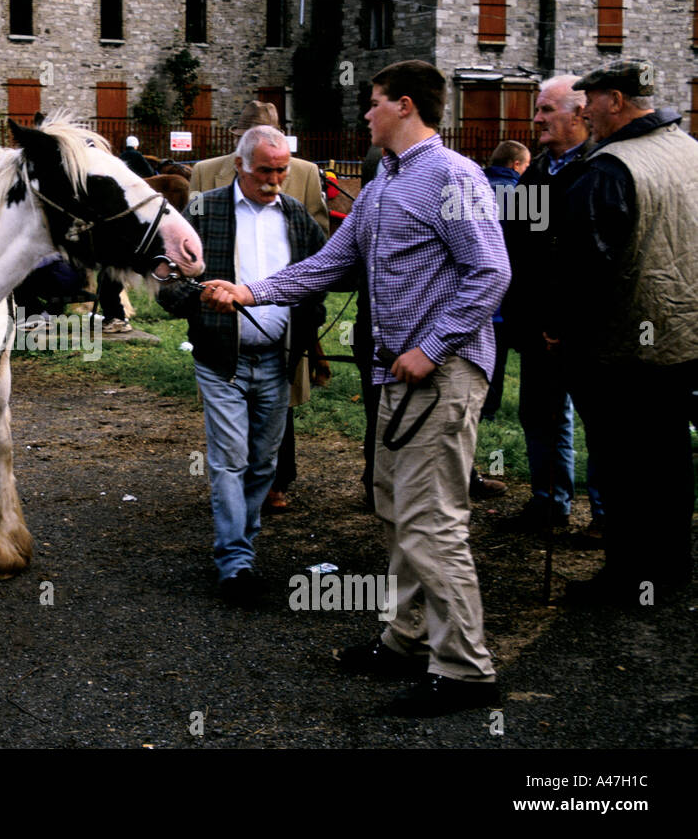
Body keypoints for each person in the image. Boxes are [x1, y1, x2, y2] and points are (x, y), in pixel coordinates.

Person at [202, 61, 509, 715]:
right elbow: (331, 262)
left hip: (440, 373)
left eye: (371, 104)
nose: (364, 115)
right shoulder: (385, 181)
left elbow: (490, 271)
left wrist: (430, 348)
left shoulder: (452, 175)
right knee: (399, 513)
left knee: (432, 522)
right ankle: (404, 639)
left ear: (403, 106)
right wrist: (249, 290)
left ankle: (466, 670)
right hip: (396, 373)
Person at [157, 125, 327, 606]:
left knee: (263, 463)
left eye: (282, 171)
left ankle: (242, 545)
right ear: (239, 166)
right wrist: (202, 297)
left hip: (276, 358)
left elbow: (321, 277)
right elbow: (167, 286)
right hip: (221, 361)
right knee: (229, 460)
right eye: (264, 171)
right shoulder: (203, 210)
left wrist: (306, 330)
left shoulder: (296, 217)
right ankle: (234, 562)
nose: (274, 180)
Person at [549, 60, 698, 605]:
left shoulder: (612, 168)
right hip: (685, 338)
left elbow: (586, 268)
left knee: (625, 466)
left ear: (615, 99)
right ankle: (672, 566)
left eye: (589, 98)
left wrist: (557, 327)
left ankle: (634, 579)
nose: (582, 109)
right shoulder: (689, 149)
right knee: (670, 456)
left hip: (624, 348)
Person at [189, 101, 331, 512]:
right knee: (230, 412)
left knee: (279, 401)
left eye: (279, 166)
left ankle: (275, 481)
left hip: (282, 311)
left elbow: (319, 234)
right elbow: (194, 237)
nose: (273, 178)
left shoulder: (303, 172)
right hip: (224, 320)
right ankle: (235, 492)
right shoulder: (204, 172)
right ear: (240, 150)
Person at [499, 76, 603, 534]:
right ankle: (549, 503)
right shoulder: (538, 172)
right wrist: (531, 316)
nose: (535, 118)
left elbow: (594, 257)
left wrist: (566, 319)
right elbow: (520, 247)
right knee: (540, 415)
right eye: (537, 110)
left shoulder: (602, 168)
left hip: (588, 327)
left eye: (546, 110)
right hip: (537, 326)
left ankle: (605, 517)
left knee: (599, 422)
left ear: (579, 114)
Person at [188, 100, 329, 234]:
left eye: (262, 141)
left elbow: (318, 239)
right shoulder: (204, 172)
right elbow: (192, 227)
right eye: (249, 140)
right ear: (236, 140)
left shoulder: (306, 173)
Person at [477, 140, 529, 422]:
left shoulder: (469, 190)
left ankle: (475, 403)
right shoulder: (526, 195)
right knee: (499, 354)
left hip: (472, 291)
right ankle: (489, 409)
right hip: (507, 292)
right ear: (517, 165)